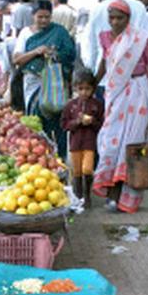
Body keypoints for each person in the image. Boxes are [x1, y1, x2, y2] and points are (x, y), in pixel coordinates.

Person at [90, 0, 148, 213]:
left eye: (119, 18)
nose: (115, 22)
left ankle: (126, 197)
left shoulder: (140, 38)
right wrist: (92, 85)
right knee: (109, 143)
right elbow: (104, 63)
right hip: (115, 92)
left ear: (128, 19)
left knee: (131, 145)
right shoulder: (104, 37)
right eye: (111, 18)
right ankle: (110, 189)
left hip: (138, 93)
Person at [12, 0, 77, 157]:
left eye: (47, 17)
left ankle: (60, 158)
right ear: (33, 15)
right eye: (40, 17)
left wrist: (54, 53)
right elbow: (17, 60)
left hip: (56, 84)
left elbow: (70, 54)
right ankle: (40, 157)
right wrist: (36, 52)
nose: (44, 21)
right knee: (37, 122)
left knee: (58, 122)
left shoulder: (59, 32)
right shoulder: (26, 33)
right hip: (34, 83)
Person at [82, 0, 148, 75]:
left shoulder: (98, 9)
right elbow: (145, 38)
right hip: (134, 72)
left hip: (105, 73)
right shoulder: (139, 6)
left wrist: (91, 69)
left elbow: (92, 43)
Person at [61, 69, 105, 207]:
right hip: (75, 144)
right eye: (80, 89)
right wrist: (77, 122)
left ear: (93, 89)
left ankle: (87, 195)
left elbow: (102, 125)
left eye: (87, 89)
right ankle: (78, 195)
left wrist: (92, 122)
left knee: (87, 169)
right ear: (75, 88)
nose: (84, 92)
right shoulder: (70, 106)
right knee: (77, 170)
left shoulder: (97, 106)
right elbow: (64, 125)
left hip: (90, 143)